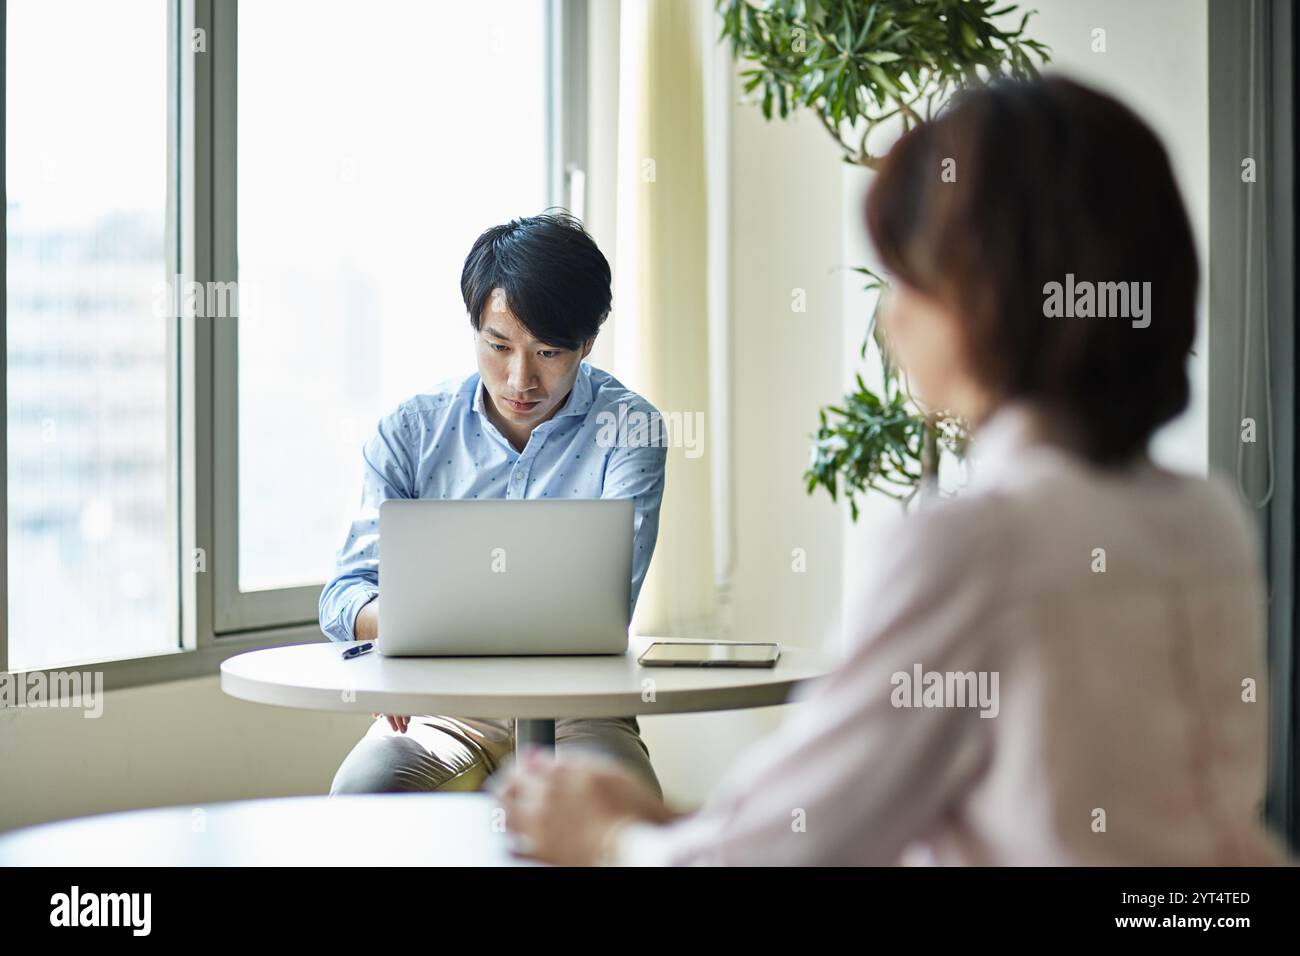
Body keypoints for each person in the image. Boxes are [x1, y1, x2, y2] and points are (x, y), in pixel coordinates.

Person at [493, 76, 1292, 865]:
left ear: (995, 298)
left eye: (909, 277)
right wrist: (670, 825)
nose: (891, 314)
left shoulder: (982, 543)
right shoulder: (1205, 519)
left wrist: (606, 841)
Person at [320, 211, 666, 797]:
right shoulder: (411, 431)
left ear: (588, 342)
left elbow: (605, 608)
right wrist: (406, 644)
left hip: (580, 710)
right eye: (498, 345)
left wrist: (432, 628)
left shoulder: (631, 430)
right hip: (442, 709)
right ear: (475, 328)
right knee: (364, 793)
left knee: (624, 819)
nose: (519, 379)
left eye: (549, 352)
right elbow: (343, 596)